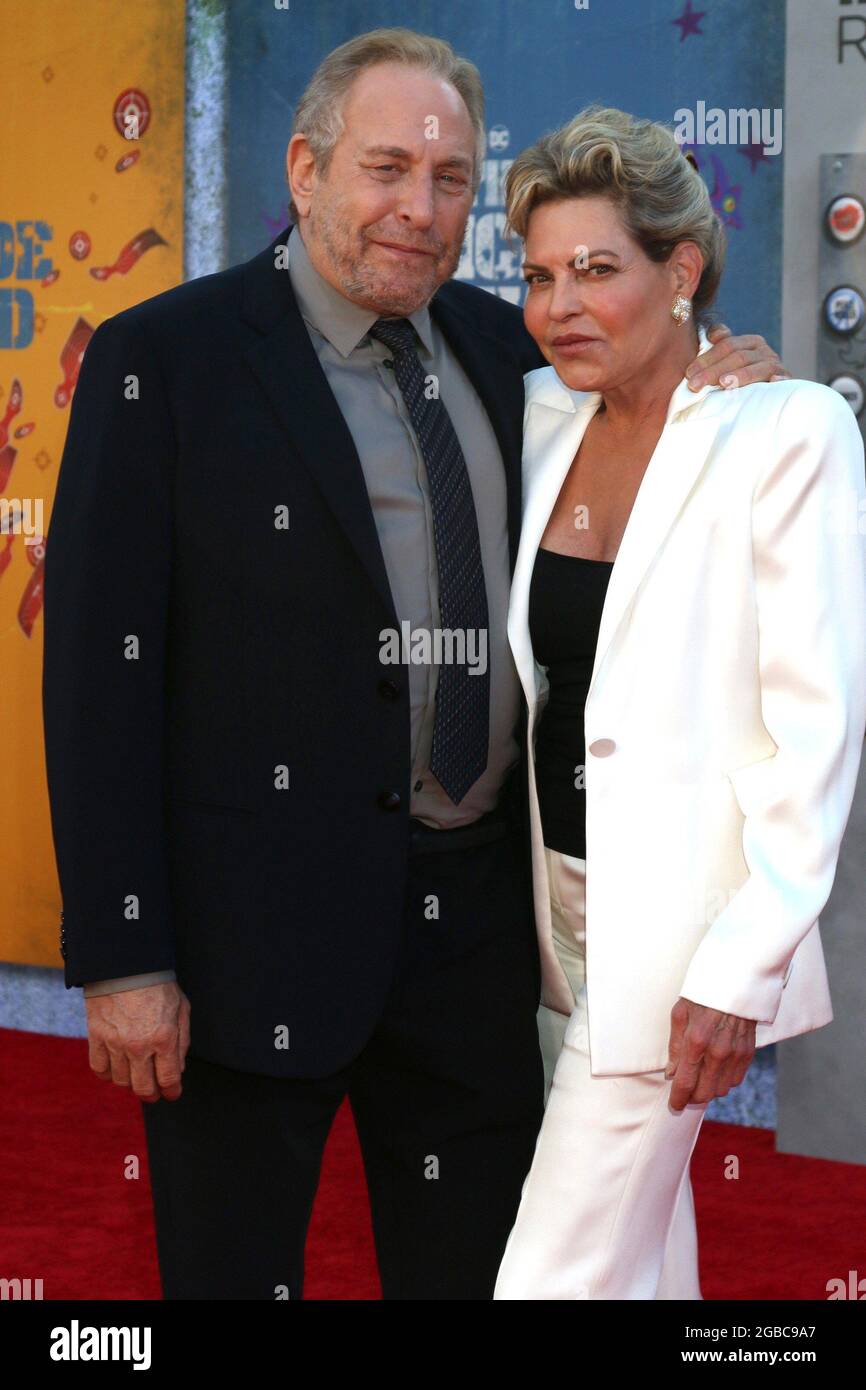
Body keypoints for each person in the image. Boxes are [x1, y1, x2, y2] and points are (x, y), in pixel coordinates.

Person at [42, 33, 788, 1300]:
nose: (419, 209)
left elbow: (656, 447)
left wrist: (731, 380)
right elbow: (98, 681)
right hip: (243, 948)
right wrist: (125, 958)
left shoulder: (516, 355)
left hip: (472, 946)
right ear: (304, 169)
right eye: (386, 168)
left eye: (449, 180)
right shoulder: (160, 361)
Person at [493, 105, 866, 1301]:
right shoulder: (539, 420)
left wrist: (742, 962)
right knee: (636, 1257)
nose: (560, 304)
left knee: (551, 1274)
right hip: (555, 913)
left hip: (680, 944)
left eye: (598, 269)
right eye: (541, 274)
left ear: (681, 269)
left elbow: (814, 731)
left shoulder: (783, 432)